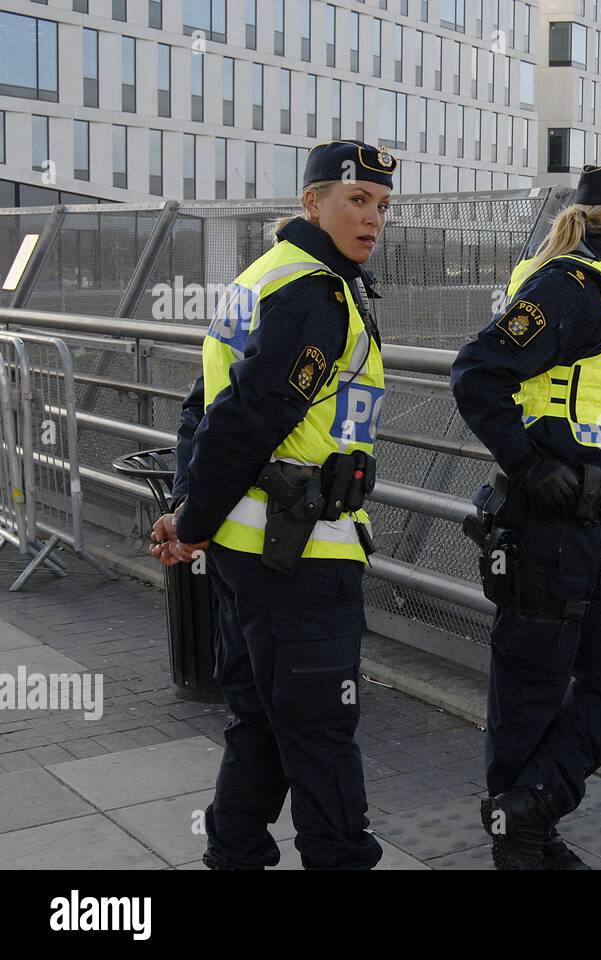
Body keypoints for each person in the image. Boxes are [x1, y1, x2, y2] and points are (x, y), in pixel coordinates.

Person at [150, 139, 395, 870]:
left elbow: (203, 408)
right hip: (300, 560)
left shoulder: (263, 278)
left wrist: (191, 514)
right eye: (356, 200)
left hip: (249, 553)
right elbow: (245, 419)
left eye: (382, 205)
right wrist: (190, 523)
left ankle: (233, 857)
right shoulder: (313, 294)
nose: (373, 218)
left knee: (260, 726)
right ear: (311, 202)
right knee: (321, 737)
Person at [451, 163, 601, 869]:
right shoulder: (568, 285)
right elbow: (478, 372)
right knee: (529, 695)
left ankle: (525, 810)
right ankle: (525, 838)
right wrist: (530, 465)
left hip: (599, 529)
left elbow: (586, 368)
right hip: (549, 526)